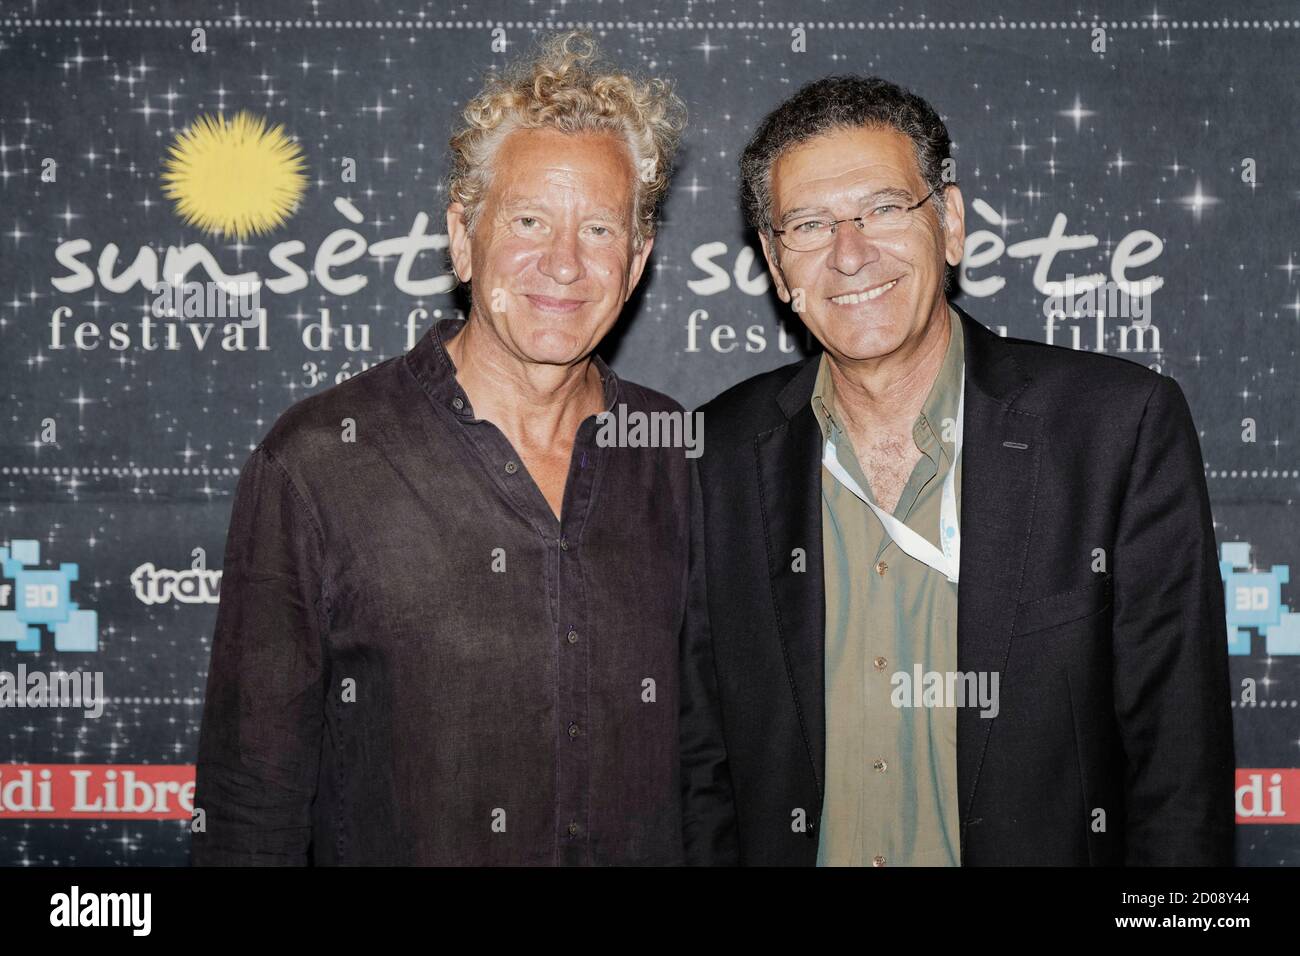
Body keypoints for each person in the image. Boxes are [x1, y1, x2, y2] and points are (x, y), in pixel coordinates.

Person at [680, 75, 1235, 866]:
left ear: (951, 223)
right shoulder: (715, 454)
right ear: (774, 262)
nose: (849, 252)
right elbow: (701, 766)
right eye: (809, 224)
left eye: (882, 209)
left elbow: (1182, 772)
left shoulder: (1115, 429)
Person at [193, 31, 688, 865]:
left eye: (599, 230)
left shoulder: (679, 453)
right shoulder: (319, 461)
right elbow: (252, 800)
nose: (563, 264)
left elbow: (711, 764)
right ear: (463, 236)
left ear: (636, 262)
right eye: (529, 219)